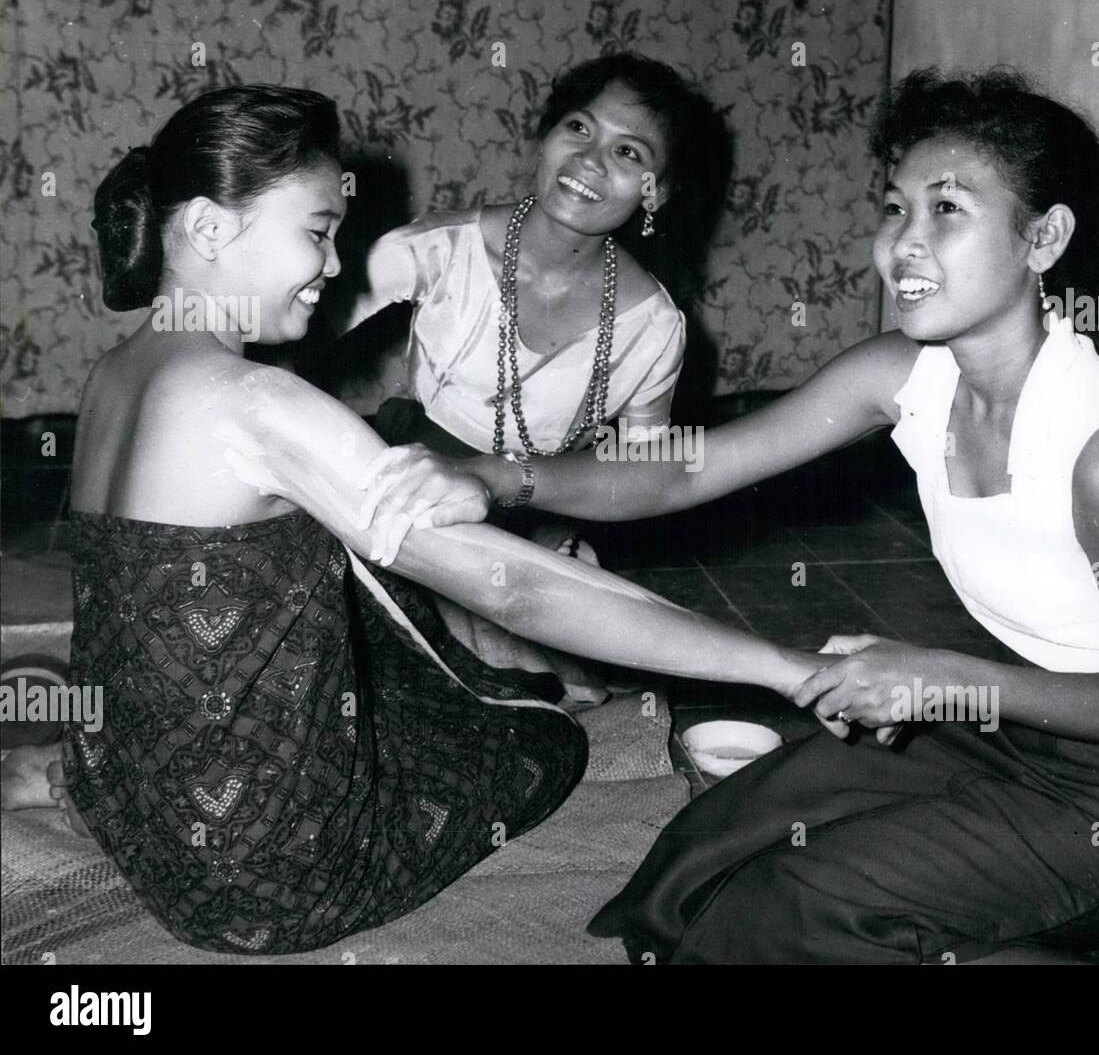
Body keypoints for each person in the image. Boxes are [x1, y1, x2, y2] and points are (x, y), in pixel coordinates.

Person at [412, 68, 1099, 964]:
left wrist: (936, 680)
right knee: (714, 847)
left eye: (947, 211)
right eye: (895, 209)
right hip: (1019, 732)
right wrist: (502, 477)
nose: (902, 246)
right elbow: (688, 467)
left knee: (797, 904)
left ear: (1045, 237)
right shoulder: (910, 373)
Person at [0, 85, 826, 956]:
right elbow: (521, 591)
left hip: (129, 793)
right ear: (209, 230)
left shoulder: (110, 376)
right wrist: (781, 666)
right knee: (533, 743)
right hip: (257, 880)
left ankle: (64, 776)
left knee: (399, 678)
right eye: (317, 233)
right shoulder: (252, 403)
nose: (331, 264)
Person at [334, 53, 725, 704]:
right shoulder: (434, 249)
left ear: (658, 192)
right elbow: (295, 348)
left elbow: (643, 474)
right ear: (543, 137)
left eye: (629, 152)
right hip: (414, 479)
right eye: (578, 128)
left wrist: (555, 530)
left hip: (536, 508)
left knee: (553, 682)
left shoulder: (655, 325)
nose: (591, 161)